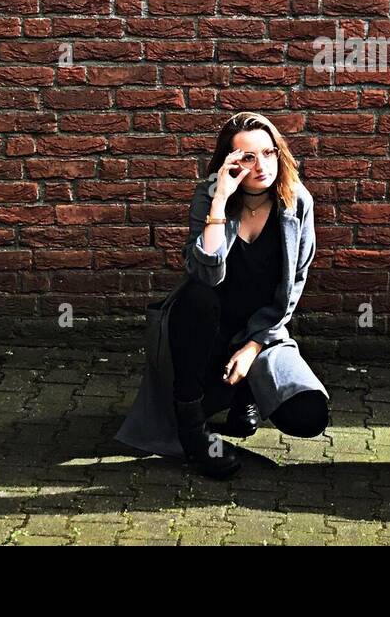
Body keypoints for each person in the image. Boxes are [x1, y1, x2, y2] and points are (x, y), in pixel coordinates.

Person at [116, 111, 329, 479]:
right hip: (203, 328)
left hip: (261, 331)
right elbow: (205, 273)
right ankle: (191, 428)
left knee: (309, 416)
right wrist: (220, 202)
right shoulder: (210, 196)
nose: (261, 165)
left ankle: (244, 394)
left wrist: (254, 347)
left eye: (267, 152)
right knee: (199, 294)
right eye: (247, 157)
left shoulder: (297, 202)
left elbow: (293, 288)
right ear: (229, 162)